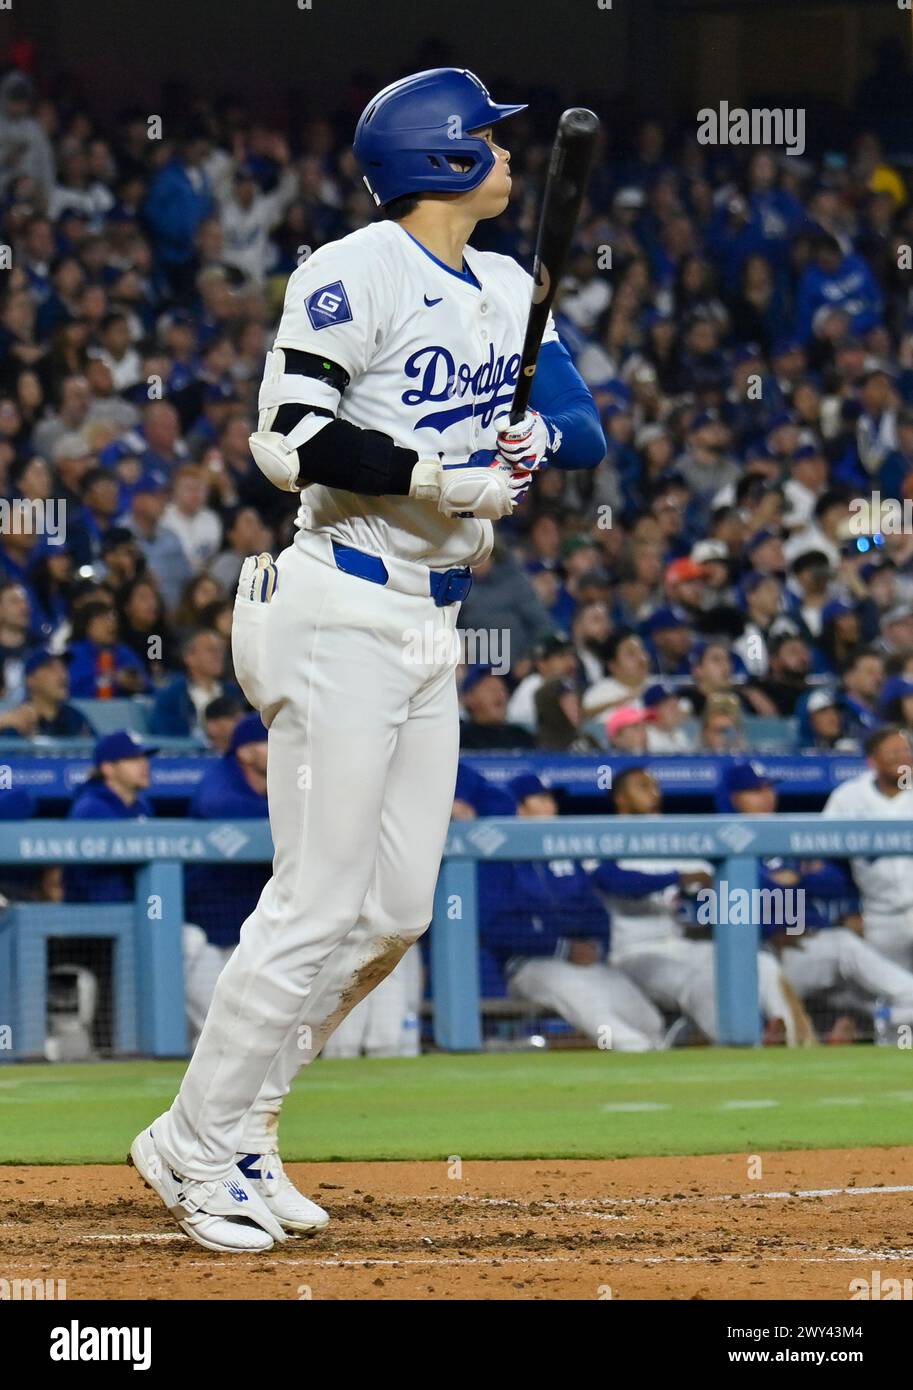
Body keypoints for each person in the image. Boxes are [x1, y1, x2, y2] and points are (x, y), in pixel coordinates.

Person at [129, 68, 604, 1253]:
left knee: (391, 910)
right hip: (337, 597)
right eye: (489, 138)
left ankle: (244, 1127)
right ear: (442, 159)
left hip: (427, 623)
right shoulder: (351, 269)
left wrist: (531, 437)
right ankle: (193, 1145)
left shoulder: (506, 283)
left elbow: (583, 427)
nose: (507, 153)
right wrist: (440, 473)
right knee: (314, 899)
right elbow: (288, 438)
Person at [592, 767, 811, 1045]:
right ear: (620, 799)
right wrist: (678, 877)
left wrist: (779, 922)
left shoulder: (672, 836)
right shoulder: (603, 833)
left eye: (655, 786)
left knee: (760, 962)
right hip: (631, 953)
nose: (653, 793)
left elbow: (731, 884)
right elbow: (613, 881)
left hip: (680, 944)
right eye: (642, 787)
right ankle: (745, 1048)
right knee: (703, 981)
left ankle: (794, 1044)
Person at [480, 775, 665, 1050]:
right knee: (615, 1030)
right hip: (528, 966)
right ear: (518, 808)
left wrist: (592, 944)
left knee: (649, 1022)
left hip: (583, 961)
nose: (552, 807)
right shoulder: (496, 859)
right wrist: (561, 945)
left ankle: (658, 1077)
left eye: (551, 799)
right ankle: (637, 1069)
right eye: (541, 800)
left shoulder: (567, 855)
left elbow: (594, 912)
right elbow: (497, 928)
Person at [822, 725, 913, 969]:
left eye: (906, 752)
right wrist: (849, 907)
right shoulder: (848, 797)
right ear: (872, 761)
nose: (903, 759)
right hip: (878, 917)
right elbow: (828, 858)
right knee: (890, 998)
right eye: (893, 753)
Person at [65, 730, 158, 903]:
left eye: (145, 758)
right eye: (133, 759)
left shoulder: (142, 806)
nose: (144, 765)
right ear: (108, 768)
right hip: (95, 916)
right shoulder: (91, 809)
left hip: (135, 909)